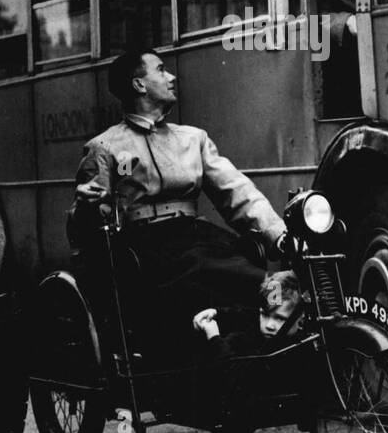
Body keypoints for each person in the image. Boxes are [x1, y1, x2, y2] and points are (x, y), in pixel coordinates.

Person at [72, 46, 287, 360]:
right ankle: (232, 328)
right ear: (139, 85)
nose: (172, 76)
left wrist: (276, 233)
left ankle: (243, 347)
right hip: (145, 245)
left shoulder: (192, 139)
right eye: (161, 69)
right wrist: (88, 204)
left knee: (246, 253)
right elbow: (88, 225)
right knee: (200, 265)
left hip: (193, 234)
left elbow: (236, 191)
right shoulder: (106, 147)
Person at [192, 271, 306, 424]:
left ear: (301, 319)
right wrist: (216, 313)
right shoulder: (247, 337)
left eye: (279, 318)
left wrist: (214, 338)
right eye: (264, 315)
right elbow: (249, 314)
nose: (269, 325)